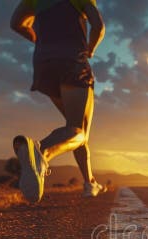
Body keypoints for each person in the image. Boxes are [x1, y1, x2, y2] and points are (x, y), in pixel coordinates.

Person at [9, 0, 106, 203]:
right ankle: (41, 151)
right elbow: (98, 26)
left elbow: (16, 23)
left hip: (44, 64)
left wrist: (39, 40)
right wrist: (91, 49)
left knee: (73, 129)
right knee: (78, 131)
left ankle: (89, 182)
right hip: (72, 62)